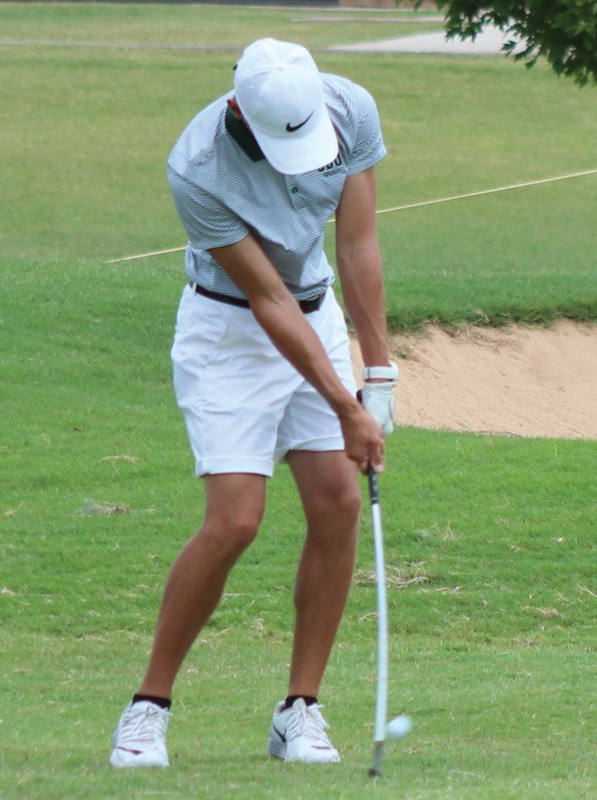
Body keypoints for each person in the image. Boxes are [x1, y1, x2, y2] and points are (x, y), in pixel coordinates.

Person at [109, 37, 397, 769]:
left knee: (338, 503)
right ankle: (148, 707)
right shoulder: (197, 168)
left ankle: (300, 708)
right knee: (236, 519)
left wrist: (380, 371)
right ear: (240, 110)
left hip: (317, 315)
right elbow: (268, 298)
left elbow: (357, 246)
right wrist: (346, 407)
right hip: (230, 332)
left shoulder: (349, 107)